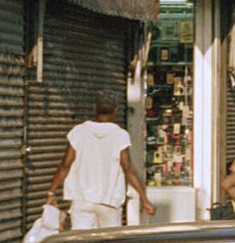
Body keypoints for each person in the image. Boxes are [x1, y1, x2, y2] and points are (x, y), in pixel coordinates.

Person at [46, 97, 154, 230]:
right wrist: (144, 200)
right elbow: (128, 168)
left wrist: (52, 192)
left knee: (82, 242)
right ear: (116, 111)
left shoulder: (79, 132)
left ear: (94, 108)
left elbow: (65, 164)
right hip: (109, 201)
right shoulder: (120, 135)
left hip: (82, 199)